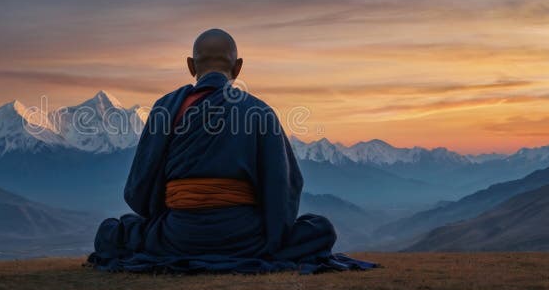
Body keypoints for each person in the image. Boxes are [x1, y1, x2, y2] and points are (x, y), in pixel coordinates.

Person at [87, 29, 376, 274]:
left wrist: (174, 214)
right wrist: (268, 233)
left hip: (177, 235)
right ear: (238, 68)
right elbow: (284, 187)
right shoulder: (258, 111)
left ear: (190, 66)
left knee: (113, 230)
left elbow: (138, 190)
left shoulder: (166, 109)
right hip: (244, 237)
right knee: (320, 229)